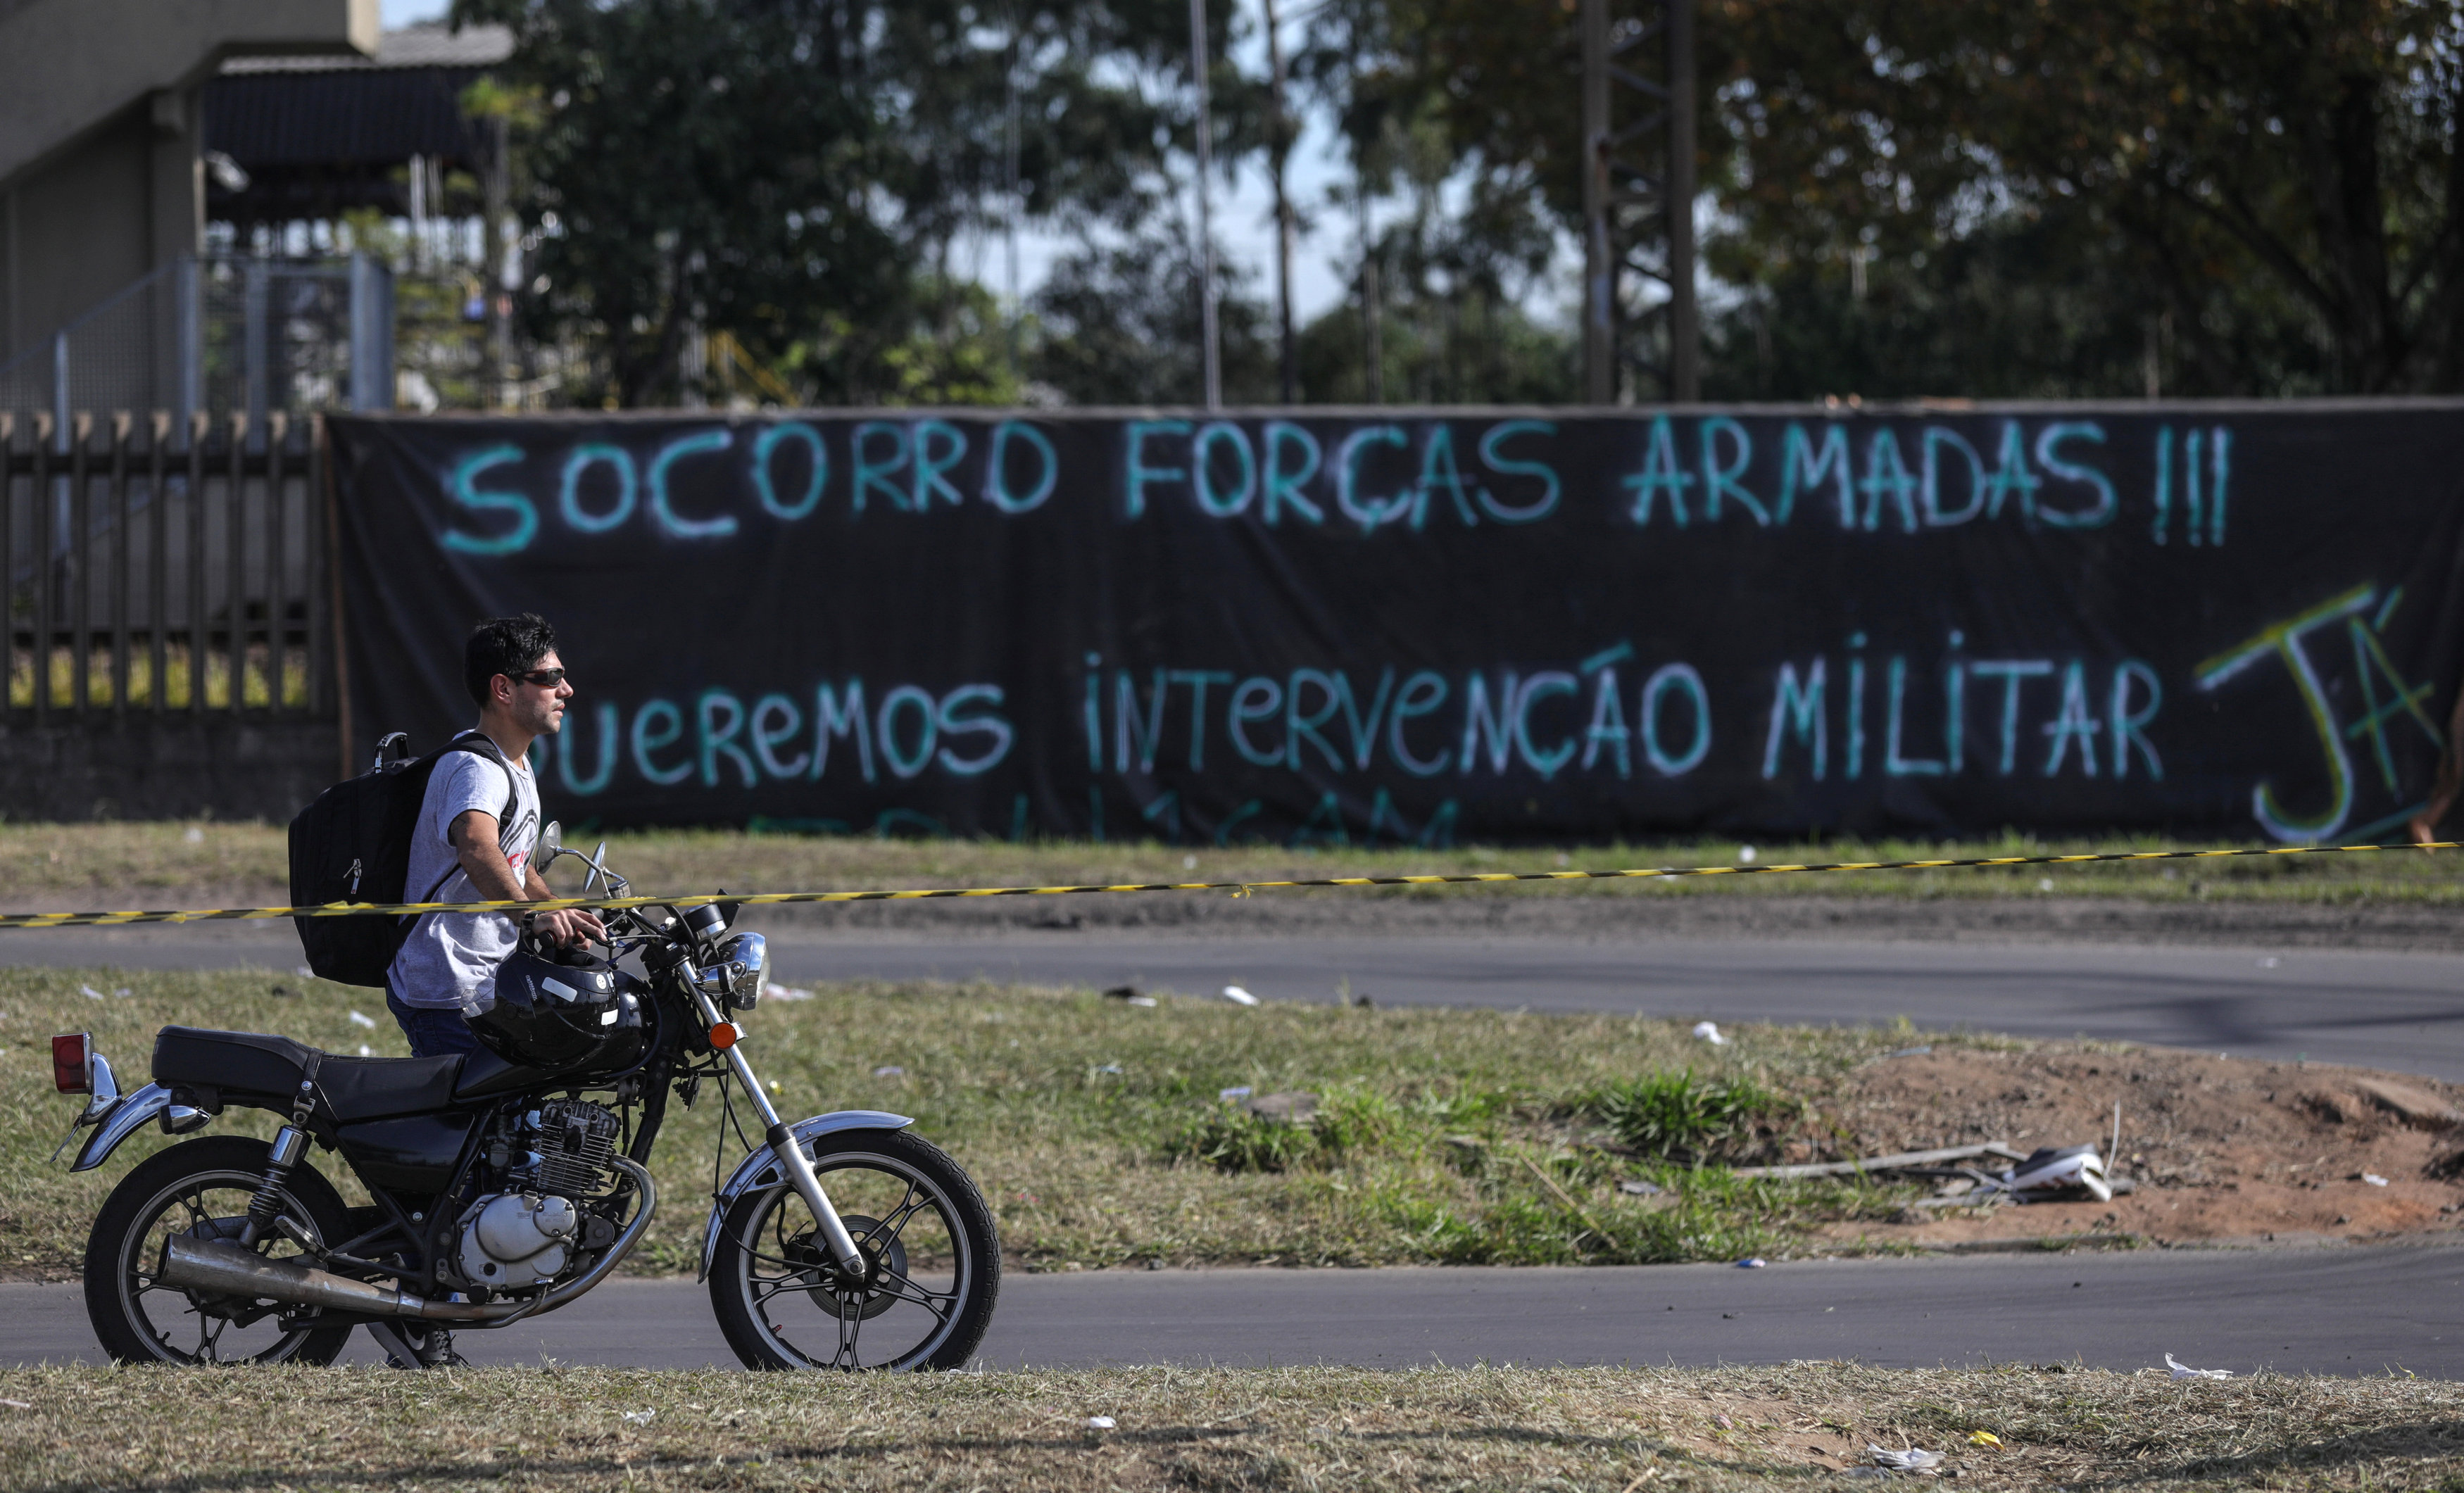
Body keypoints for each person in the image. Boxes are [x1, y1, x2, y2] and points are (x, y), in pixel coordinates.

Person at [386, 613, 605, 1059]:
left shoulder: (515, 764)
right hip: (448, 991)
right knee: (473, 1126)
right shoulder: (476, 768)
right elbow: (477, 845)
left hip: (484, 984)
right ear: (503, 689)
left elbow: (515, 863)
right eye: (551, 678)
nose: (567, 690)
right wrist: (528, 917)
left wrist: (555, 911)